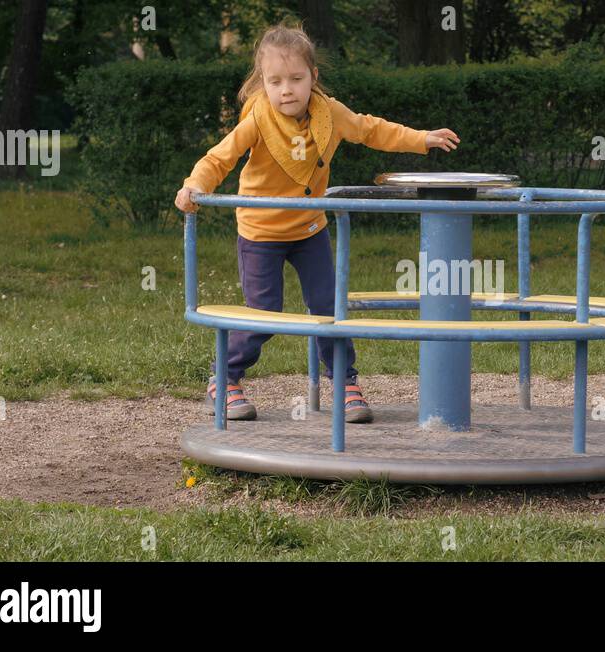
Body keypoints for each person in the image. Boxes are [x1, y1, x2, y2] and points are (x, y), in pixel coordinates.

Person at [175, 21, 459, 423]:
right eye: (274, 81)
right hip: (261, 231)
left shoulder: (330, 114)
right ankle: (226, 377)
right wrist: (193, 185)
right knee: (264, 313)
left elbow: (371, 129)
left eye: (295, 78)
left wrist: (421, 138)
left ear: (314, 78)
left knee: (329, 307)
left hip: (309, 229)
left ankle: (345, 383)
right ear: (262, 83)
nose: (286, 90)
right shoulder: (258, 119)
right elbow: (219, 158)